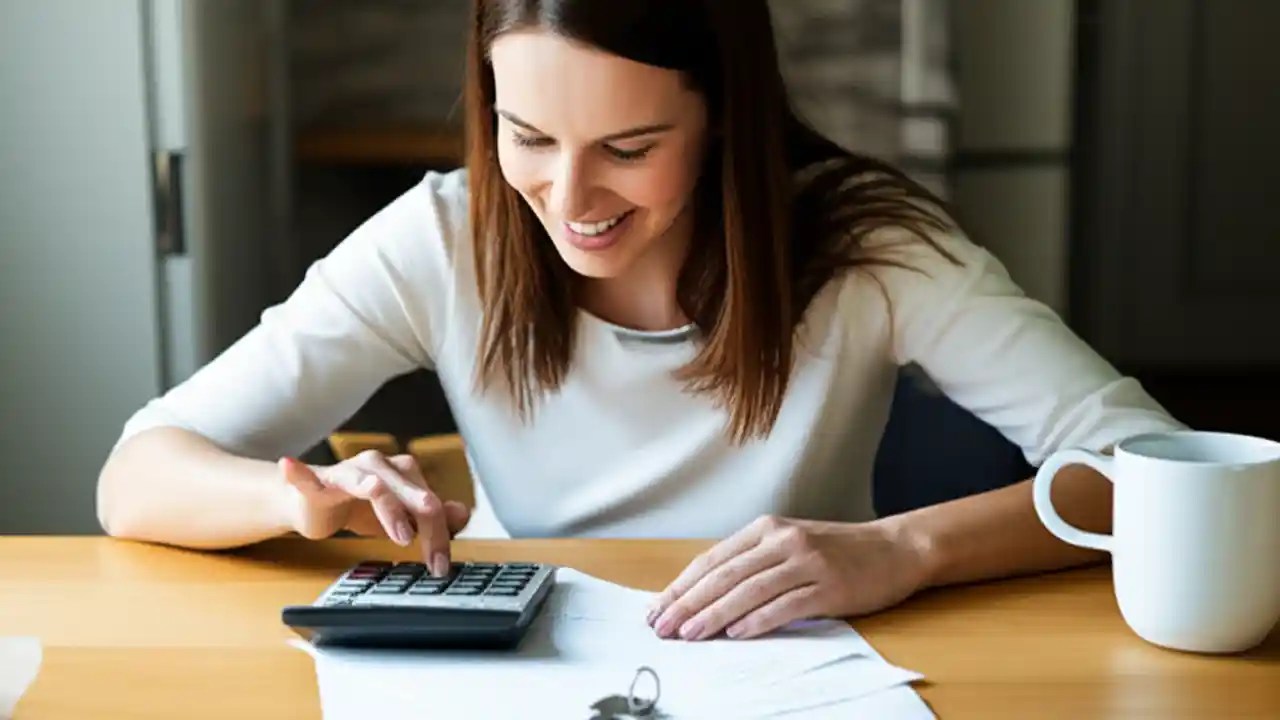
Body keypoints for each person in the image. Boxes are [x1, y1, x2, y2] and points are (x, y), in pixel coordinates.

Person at [97, 0, 1185, 643]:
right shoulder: (441, 237)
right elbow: (135, 475)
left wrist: (902, 548)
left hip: (793, 679)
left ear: (721, 115)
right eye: (526, 135)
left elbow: (1156, 471)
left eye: (626, 149)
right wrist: (302, 501)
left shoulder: (866, 247)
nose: (569, 200)